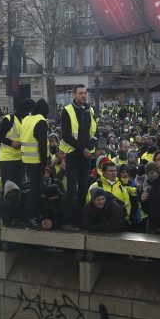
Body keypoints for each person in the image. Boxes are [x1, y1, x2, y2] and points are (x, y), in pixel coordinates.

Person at [59, 85, 97, 231]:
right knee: (71, 189)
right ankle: (66, 222)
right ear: (74, 95)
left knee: (83, 189)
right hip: (73, 155)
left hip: (85, 156)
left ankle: (80, 220)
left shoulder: (90, 110)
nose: (83, 95)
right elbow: (66, 136)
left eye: (85, 93)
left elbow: (95, 131)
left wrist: (90, 147)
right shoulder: (67, 110)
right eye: (80, 93)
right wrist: (83, 149)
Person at [20, 99, 50, 228]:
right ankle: (31, 217)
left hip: (26, 159)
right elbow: (42, 145)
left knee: (33, 189)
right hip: (37, 160)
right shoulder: (41, 121)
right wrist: (44, 161)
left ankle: (32, 215)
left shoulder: (26, 119)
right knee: (35, 191)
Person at [0, 99, 32, 189]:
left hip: (20, 159)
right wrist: (11, 143)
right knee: (9, 189)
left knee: (19, 187)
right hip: (8, 159)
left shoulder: (26, 121)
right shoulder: (9, 119)